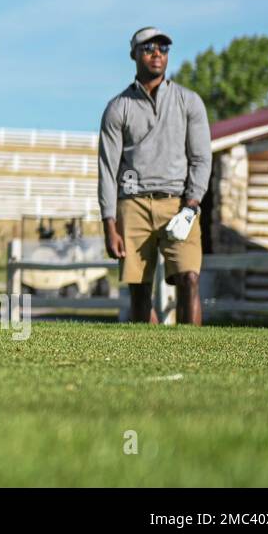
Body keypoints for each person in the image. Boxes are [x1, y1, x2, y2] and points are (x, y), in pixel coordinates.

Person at [98, 27, 212, 325]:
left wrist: (192, 203)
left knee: (189, 277)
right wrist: (109, 224)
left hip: (180, 204)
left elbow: (201, 158)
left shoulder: (189, 102)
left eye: (163, 48)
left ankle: (191, 355)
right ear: (134, 54)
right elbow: (108, 169)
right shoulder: (117, 108)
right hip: (132, 205)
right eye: (148, 48)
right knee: (139, 290)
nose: (157, 54)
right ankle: (144, 356)